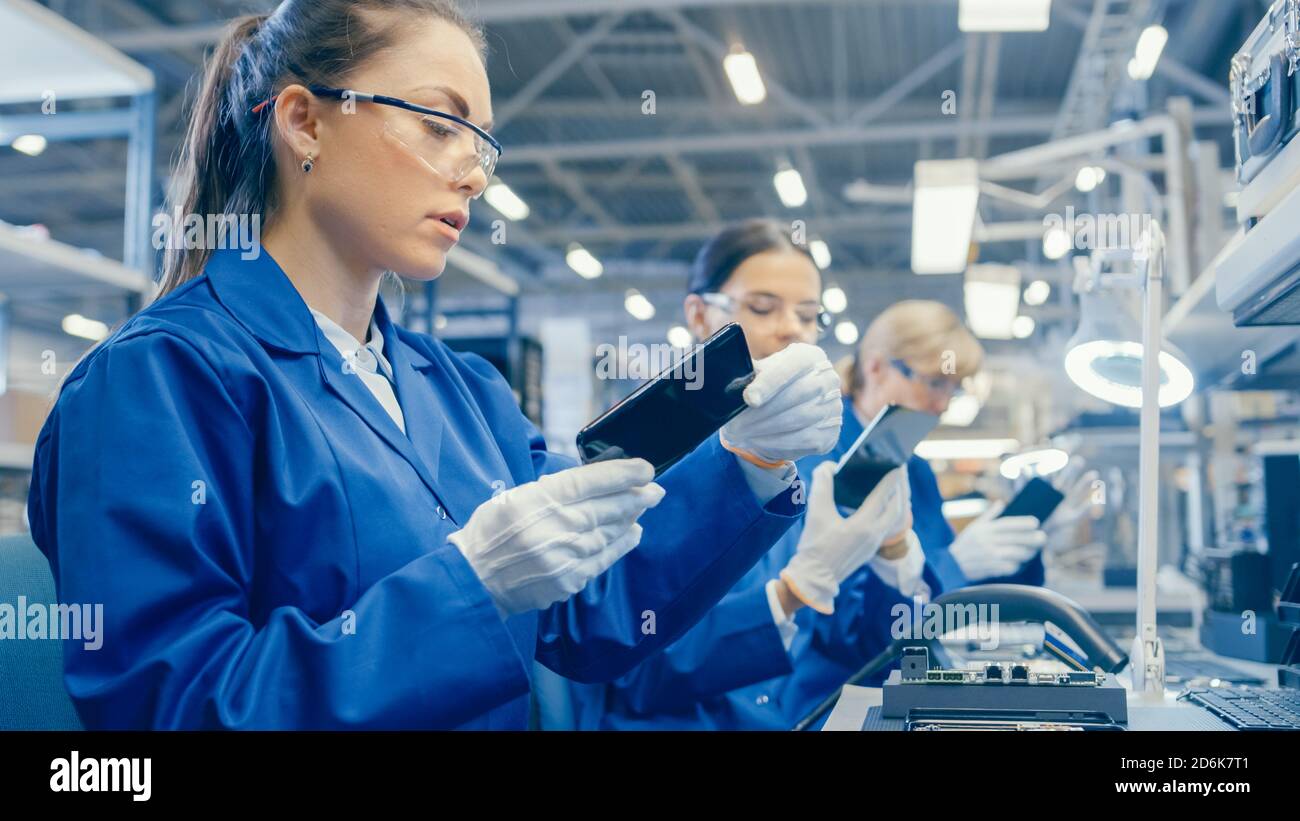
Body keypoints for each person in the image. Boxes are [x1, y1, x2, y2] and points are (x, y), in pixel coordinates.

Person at [27, 1, 846, 730]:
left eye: (482, 141)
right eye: (438, 123)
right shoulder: (157, 382)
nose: (476, 172)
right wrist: (467, 591)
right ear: (305, 122)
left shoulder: (463, 391)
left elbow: (594, 611)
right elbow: (173, 708)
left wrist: (749, 462)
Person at [573, 220, 937, 731]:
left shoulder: (809, 457)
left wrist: (895, 555)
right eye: (763, 308)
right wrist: (790, 595)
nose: (792, 328)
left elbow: (858, 644)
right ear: (700, 315)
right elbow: (623, 662)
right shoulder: (636, 452)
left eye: (809, 315)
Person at [840, 301, 1049, 590]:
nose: (943, 406)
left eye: (955, 389)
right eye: (935, 383)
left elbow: (956, 593)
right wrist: (952, 564)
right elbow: (842, 607)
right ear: (876, 367)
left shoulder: (917, 471)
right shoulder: (820, 455)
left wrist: (1023, 546)